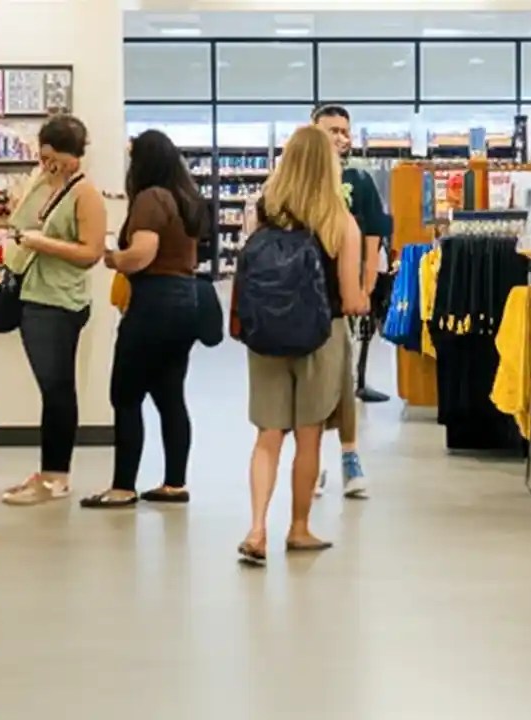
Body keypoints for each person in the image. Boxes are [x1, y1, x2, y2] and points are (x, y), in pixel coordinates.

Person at [238, 125, 367, 564]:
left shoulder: (261, 212)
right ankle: (298, 528)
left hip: (266, 336)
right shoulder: (341, 221)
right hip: (320, 337)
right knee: (308, 438)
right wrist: (364, 298)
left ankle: (256, 530)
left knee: (267, 435)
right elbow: (349, 300)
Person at [80, 130, 209, 508]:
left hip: (153, 303)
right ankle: (174, 482)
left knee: (125, 394)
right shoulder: (186, 199)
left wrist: (112, 257)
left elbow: (142, 253)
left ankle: (122, 487)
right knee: (170, 396)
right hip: (185, 302)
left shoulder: (152, 198)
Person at [2, 115, 108, 506]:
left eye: (54, 156)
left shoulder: (86, 194)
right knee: (51, 390)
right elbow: (19, 221)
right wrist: (38, 181)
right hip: (32, 294)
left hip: (60, 302)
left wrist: (43, 244)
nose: (49, 162)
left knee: (58, 389)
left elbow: (90, 253)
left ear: (73, 154)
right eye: (43, 155)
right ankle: (48, 472)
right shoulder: (46, 183)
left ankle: (56, 475)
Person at [310, 104, 390, 500]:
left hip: (341, 296)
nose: (340, 138)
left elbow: (373, 236)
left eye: (344, 131)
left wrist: (365, 285)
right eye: (331, 130)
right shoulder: (302, 182)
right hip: (303, 295)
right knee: (307, 385)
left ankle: (349, 455)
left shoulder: (359, 180)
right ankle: (313, 463)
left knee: (341, 379)